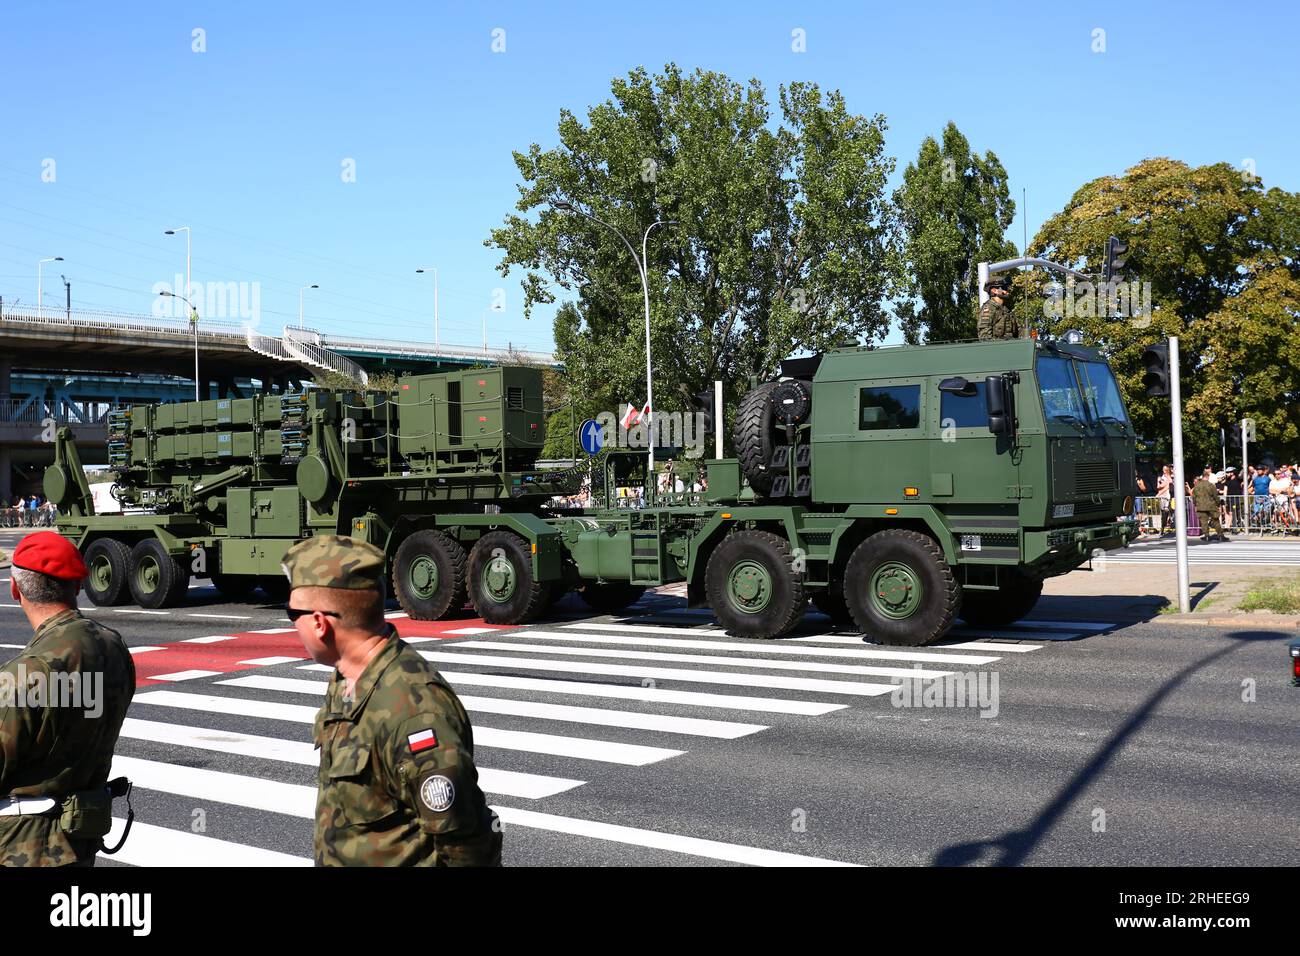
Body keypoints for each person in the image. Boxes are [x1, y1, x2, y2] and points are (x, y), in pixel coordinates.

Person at [282, 534, 502, 867]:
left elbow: (466, 844)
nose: (292, 624)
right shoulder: (348, 679)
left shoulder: (413, 710)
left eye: (291, 613)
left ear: (319, 623)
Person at [0, 532, 136, 866]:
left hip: (22, 847)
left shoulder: (28, 672)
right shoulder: (113, 647)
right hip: (79, 838)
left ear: (16, 589)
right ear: (76, 586)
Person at [977, 276, 1020, 340]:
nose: (1008, 290)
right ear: (994, 290)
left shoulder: (1007, 310)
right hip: (996, 348)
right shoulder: (988, 309)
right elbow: (985, 337)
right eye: (1004, 288)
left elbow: (1019, 331)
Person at [1192, 468, 1227, 541]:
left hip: (1200, 506)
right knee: (1215, 520)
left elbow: (1194, 497)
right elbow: (1215, 496)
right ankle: (1220, 535)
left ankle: (1206, 536)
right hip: (1211, 506)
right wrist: (1218, 504)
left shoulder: (1197, 486)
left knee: (1204, 522)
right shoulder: (1211, 485)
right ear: (1207, 477)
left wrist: (1195, 504)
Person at [1156, 465, 1174, 535]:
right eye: (1163, 469)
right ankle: (1162, 528)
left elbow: (1166, 487)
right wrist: (1158, 481)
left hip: (1166, 496)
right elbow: (1158, 486)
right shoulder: (1162, 477)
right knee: (1162, 513)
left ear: (1167, 470)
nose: (1163, 470)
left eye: (1165, 469)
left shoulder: (1169, 478)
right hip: (1162, 497)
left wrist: (1159, 493)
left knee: (1166, 512)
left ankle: (1168, 525)